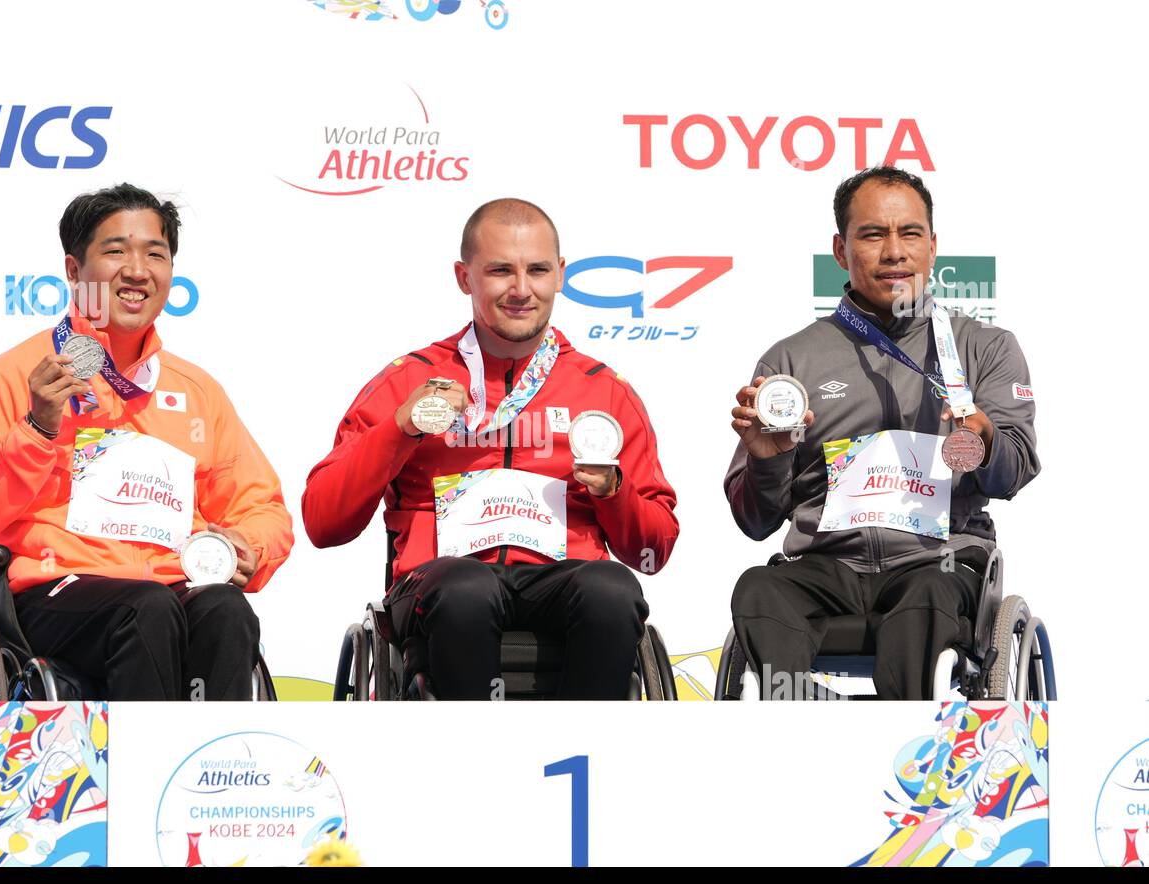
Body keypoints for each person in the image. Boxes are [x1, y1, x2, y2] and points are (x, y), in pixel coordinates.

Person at [0, 183, 293, 700]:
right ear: (74, 271)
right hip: (58, 590)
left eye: (155, 254)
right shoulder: (14, 377)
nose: (138, 269)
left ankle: (215, 772)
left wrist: (249, 545)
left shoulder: (196, 391)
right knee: (147, 609)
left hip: (171, 586)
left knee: (226, 611)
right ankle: (142, 771)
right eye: (116, 251)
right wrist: (36, 431)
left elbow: (261, 506)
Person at [303, 198, 678, 700]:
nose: (522, 290)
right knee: (466, 589)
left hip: (564, 581)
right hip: (442, 584)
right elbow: (323, 524)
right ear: (465, 277)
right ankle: (473, 764)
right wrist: (400, 429)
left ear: (562, 274)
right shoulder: (411, 380)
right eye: (500, 270)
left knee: (612, 590)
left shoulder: (602, 390)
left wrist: (614, 492)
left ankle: (585, 756)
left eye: (538, 270)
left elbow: (651, 554)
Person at [724, 167, 1039, 700]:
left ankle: (904, 756)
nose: (894, 252)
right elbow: (755, 522)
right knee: (758, 589)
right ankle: (791, 740)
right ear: (841, 251)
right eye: (873, 235)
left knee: (930, 594)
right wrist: (769, 459)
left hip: (935, 559)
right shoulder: (790, 360)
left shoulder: (985, 347)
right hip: (825, 564)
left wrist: (982, 438)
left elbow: (1015, 470)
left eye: (910, 234)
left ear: (933, 246)